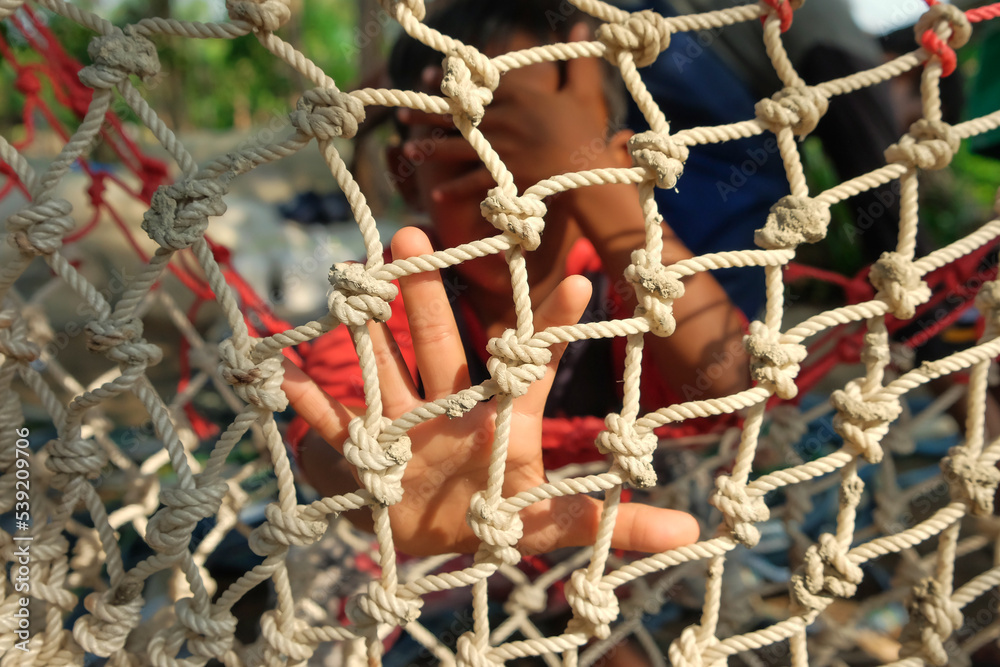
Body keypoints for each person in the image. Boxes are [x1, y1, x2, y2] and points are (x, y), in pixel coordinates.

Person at [281, 0, 751, 558]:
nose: (505, 203)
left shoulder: (633, 288)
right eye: (466, 163)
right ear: (406, 177)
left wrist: (593, 178)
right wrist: (375, 483)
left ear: (623, 171)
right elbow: (325, 434)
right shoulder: (391, 293)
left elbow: (735, 394)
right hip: (459, 569)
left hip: (630, 545)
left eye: (537, 173)